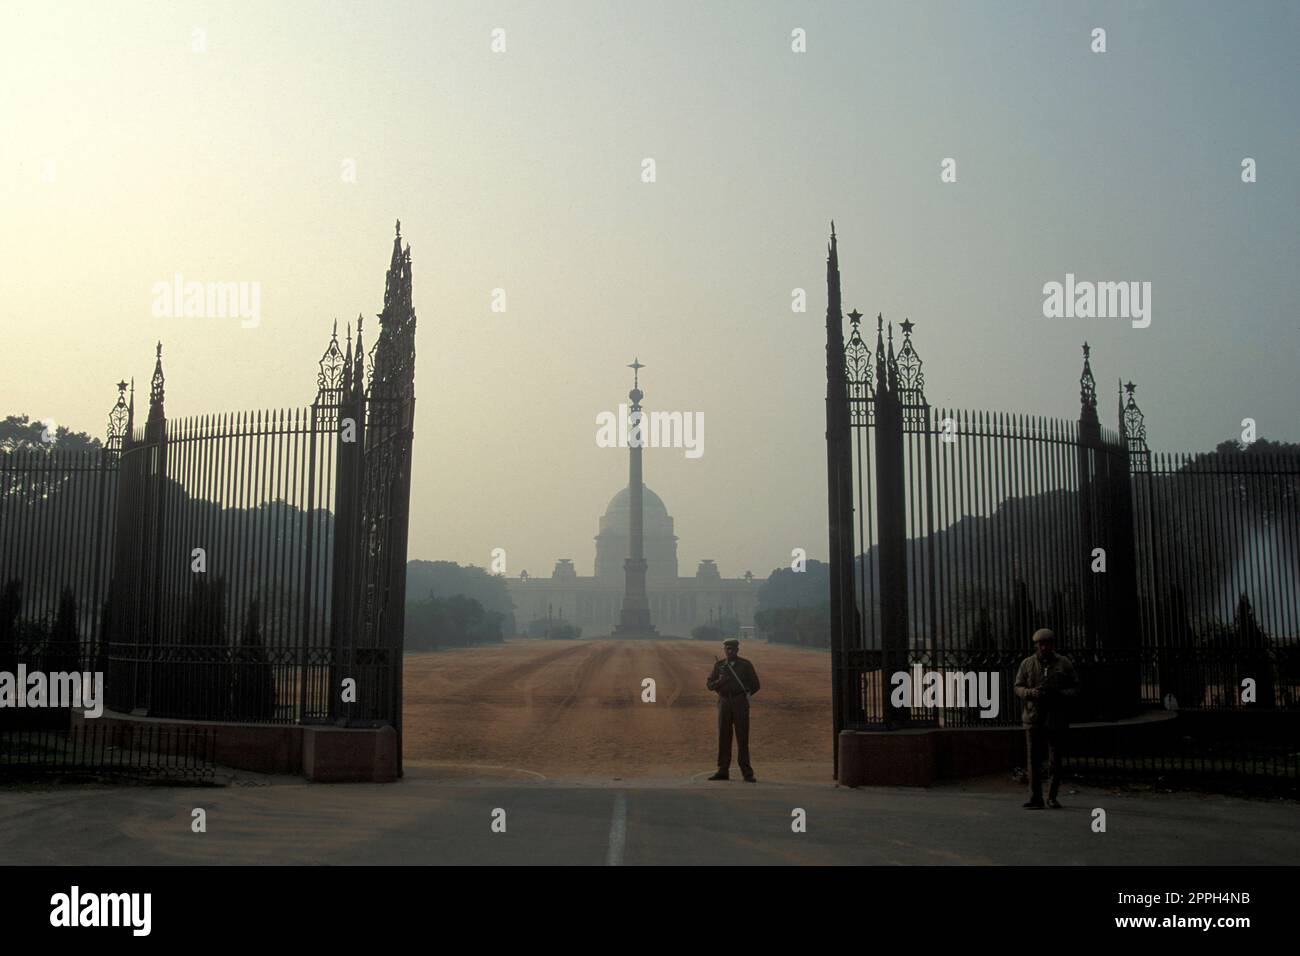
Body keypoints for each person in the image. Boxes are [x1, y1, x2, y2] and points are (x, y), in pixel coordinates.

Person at [1014, 628, 1079, 809]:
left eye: (1047, 643)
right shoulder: (1027, 664)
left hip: (1056, 717)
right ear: (1036, 645)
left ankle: (1052, 796)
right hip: (1033, 717)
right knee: (1033, 760)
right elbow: (1017, 687)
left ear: (1052, 644)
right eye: (1040, 644)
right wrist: (1031, 693)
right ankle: (1035, 797)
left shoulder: (1064, 663)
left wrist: (1059, 694)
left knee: (1055, 759)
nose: (1044, 647)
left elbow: (1076, 687)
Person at [706, 637, 760, 782]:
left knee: (742, 737)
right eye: (727, 649)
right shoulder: (719, 665)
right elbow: (710, 685)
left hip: (739, 701)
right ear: (724, 650)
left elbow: (755, 685)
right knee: (724, 736)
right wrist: (720, 681)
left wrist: (744, 694)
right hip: (724, 701)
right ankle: (723, 770)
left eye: (732, 649)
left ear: (737, 650)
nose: (729, 651)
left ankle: (747, 772)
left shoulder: (745, 665)